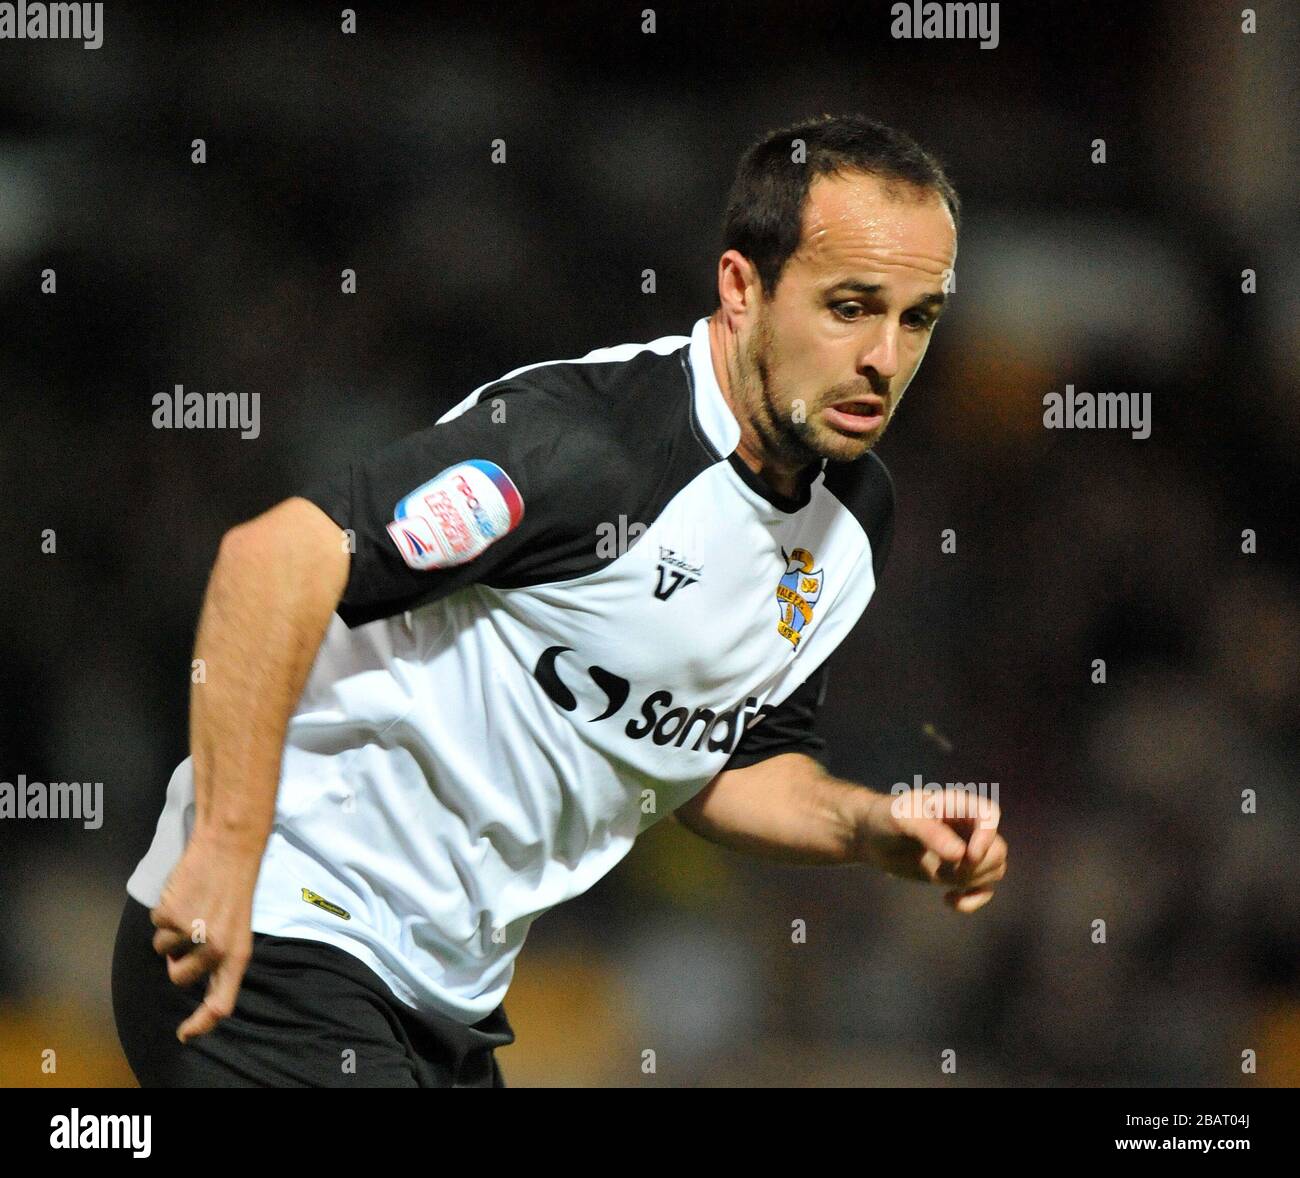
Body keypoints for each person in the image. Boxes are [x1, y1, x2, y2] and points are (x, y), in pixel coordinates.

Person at [112, 113, 1009, 1088]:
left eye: (916, 316)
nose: (884, 355)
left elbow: (718, 765)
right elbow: (272, 560)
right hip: (276, 935)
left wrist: (871, 827)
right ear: (742, 288)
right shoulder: (586, 446)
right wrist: (224, 849)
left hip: (439, 1001)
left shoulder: (849, 519)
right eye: (849, 306)